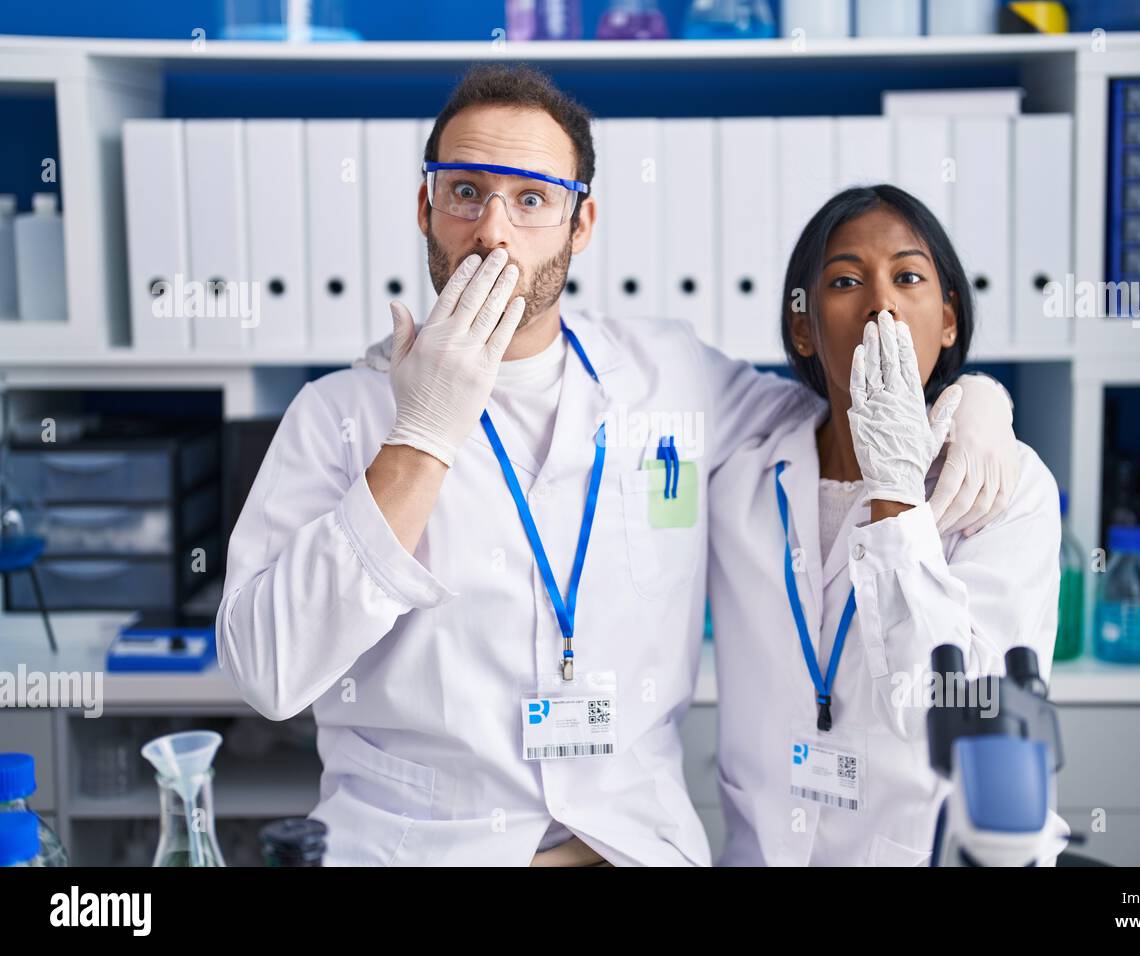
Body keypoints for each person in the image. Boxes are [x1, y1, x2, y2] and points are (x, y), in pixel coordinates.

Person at [217, 65, 1018, 866]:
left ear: (581, 222)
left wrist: (974, 397)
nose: (493, 231)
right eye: (465, 192)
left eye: (531, 199)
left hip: (632, 849)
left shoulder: (669, 374)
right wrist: (419, 440)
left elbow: (840, 419)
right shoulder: (338, 416)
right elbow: (266, 673)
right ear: (425, 209)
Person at [709, 184, 1067, 866]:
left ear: (949, 318)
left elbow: (947, 712)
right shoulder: (743, 469)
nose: (881, 304)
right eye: (846, 281)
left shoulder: (1007, 486)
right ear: (803, 328)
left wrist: (899, 492)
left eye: (909, 277)